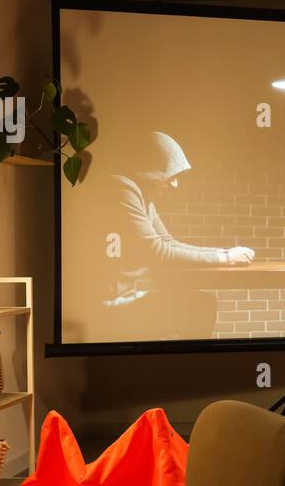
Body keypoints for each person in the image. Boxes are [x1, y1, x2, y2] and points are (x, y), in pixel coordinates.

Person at [100, 131, 254, 336]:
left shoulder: (145, 200)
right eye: (170, 175)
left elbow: (168, 241)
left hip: (124, 297)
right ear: (150, 170)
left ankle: (179, 364)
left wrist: (225, 251)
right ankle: (187, 366)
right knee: (200, 306)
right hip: (104, 307)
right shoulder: (122, 189)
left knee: (201, 304)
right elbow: (158, 252)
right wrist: (225, 258)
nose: (174, 185)